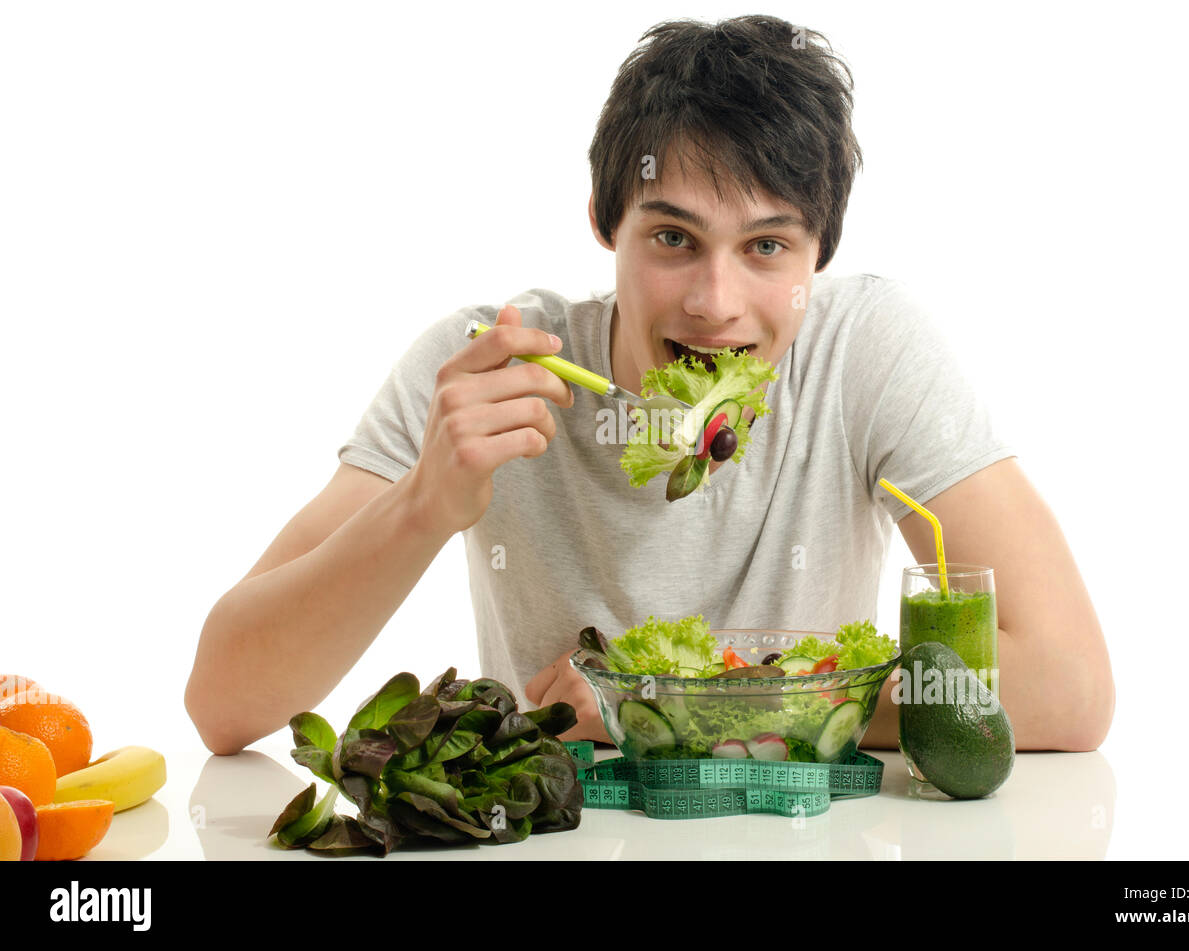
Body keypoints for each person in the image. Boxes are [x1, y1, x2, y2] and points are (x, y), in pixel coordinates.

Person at [185, 15, 1113, 756]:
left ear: (817, 256)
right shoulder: (498, 359)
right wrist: (424, 504)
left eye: (766, 247)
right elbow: (223, 702)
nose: (717, 303)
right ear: (605, 221)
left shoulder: (865, 351)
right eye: (673, 238)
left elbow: (1067, 683)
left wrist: (679, 704)